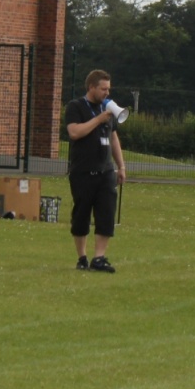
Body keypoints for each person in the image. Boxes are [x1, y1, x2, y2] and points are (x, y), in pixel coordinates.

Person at [65, 69, 126, 273]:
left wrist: (121, 166)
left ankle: (99, 258)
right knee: (81, 215)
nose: (107, 93)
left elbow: (114, 138)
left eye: (109, 89)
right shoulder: (76, 107)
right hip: (83, 172)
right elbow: (74, 132)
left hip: (106, 172)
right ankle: (82, 257)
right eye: (103, 89)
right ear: (91, 87)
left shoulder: (108, 110)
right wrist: (98, 120)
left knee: (106, 215)